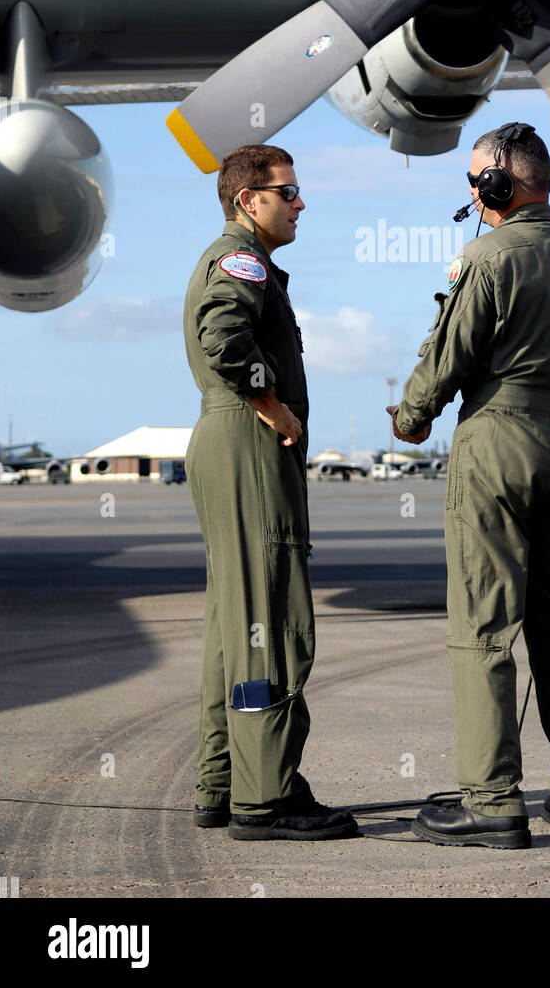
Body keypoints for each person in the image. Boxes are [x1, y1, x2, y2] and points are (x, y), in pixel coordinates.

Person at [387, 122, 550, 849]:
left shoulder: (485, 258)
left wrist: (411, 415)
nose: (468, 192)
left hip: (498, 441)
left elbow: (451, 356)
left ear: (497, 185)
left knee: (483, 627)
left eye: (472, 179)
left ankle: (490, 802)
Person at [183, 142, 358, 841]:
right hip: (249, 448)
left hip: (224, 445)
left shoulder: (241, 260)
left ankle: (222, 783)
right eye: (286, 192)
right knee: (270, 622)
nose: (299, 203)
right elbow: (225, 340)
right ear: (246, 201)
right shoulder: (242, 260)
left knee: (232, 627)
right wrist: (274, 409)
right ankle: (266, 798)